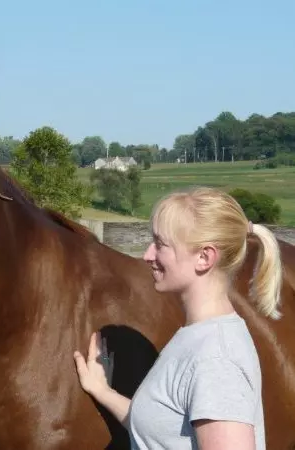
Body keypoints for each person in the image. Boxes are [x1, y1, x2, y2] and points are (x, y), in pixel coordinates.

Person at [73, 186, 282, 450]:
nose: (147, 255)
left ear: (204, 257)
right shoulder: (197, 335)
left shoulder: (217, 361)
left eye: (160, 245)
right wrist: (104, 392)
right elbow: (163, 431)